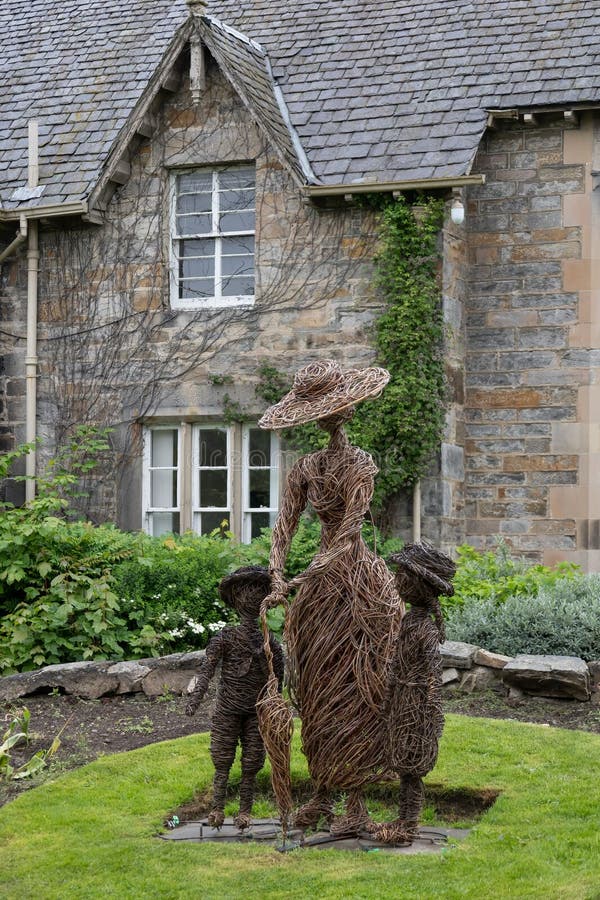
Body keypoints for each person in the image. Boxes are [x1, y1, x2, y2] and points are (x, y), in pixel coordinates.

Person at [259, 359, 403, 835]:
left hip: (356, 585)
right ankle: (322, 795)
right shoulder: (304, 468)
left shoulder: (360, 464)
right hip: (318, 594)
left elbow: (350, 527)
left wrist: (311, 571)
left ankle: (357, 803)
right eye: (318, 412)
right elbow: (283, 526)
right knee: (318, 689)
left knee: (361, 686)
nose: (327, 419)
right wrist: (277, 571)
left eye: (333, 410)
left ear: (348, 410)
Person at [185, 565, 284, 831]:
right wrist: (195, 698)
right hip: (228, 709)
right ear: (237, 599)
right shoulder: (226, 638)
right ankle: (217, 808)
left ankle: (244, 812)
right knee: (222, 757)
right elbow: (207, 670)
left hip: (256, 711)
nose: (252, 597)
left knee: (252, 761)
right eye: (246, 591)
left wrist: (277, 703)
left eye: (258, 591)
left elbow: (278, 676)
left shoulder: (268, 641)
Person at [373, 541, 455, 845]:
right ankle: (403, 819)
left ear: (418, 585)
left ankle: (409, 823)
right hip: (403, 700)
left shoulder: (426, 630)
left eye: (403, 577)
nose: (397, 582)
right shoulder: (409, 622)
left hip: (418, 704)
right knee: (402, 762)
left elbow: (434, 670)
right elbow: (396, 661)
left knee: (412, 766)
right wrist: (389, 693)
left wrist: (432, 708)